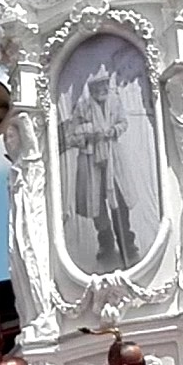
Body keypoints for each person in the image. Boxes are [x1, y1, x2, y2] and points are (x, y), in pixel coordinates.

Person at [64, 65, 139, 267]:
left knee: (120, 201)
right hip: (90, 161)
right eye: (97, 85)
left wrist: (112, 130)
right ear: (91, 87)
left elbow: (123, 122)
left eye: (104, 84)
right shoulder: (82, 106)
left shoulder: (115, 102)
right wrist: (90, 131)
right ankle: (106, 244)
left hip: (113, 157)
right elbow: (71, 135)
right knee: (96, 205)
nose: (102, 88)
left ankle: (127, 244)